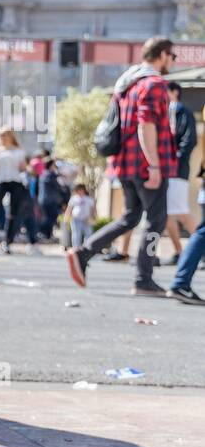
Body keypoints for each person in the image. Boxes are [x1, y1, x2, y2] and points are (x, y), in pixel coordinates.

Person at [66, 37, 178, 295]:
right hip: (145, 164)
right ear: (162, 55)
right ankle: (143, 278)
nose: (172, 61)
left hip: (125, 164)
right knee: (156, 221)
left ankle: (83, 252)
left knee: (130, 217)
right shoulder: (154, 84)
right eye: (172, 56)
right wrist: (154, 166)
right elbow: (146, 124)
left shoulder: (127, 83)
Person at [164, 81, 198, 265]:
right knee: (167, 214)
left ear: (174, 92)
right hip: (165, 170)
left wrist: (176, 159)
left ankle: (199, 249)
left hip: (177, 170)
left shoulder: (183, 112)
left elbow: (189, 139)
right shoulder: (164, 113)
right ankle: (180, 252)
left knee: (182, 212)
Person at [66, 183, 95, 251]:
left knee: (88, 234)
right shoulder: (74, 198)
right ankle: (76, 249)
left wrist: (93, 217)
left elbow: (93, 209)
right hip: (76, 219)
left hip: (86, 219)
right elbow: (69, 208)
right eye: (78, 190)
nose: (79, 191)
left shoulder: (88, 199)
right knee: (76, 234)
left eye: (81, 190)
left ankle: (87, 248)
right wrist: (67, 217)